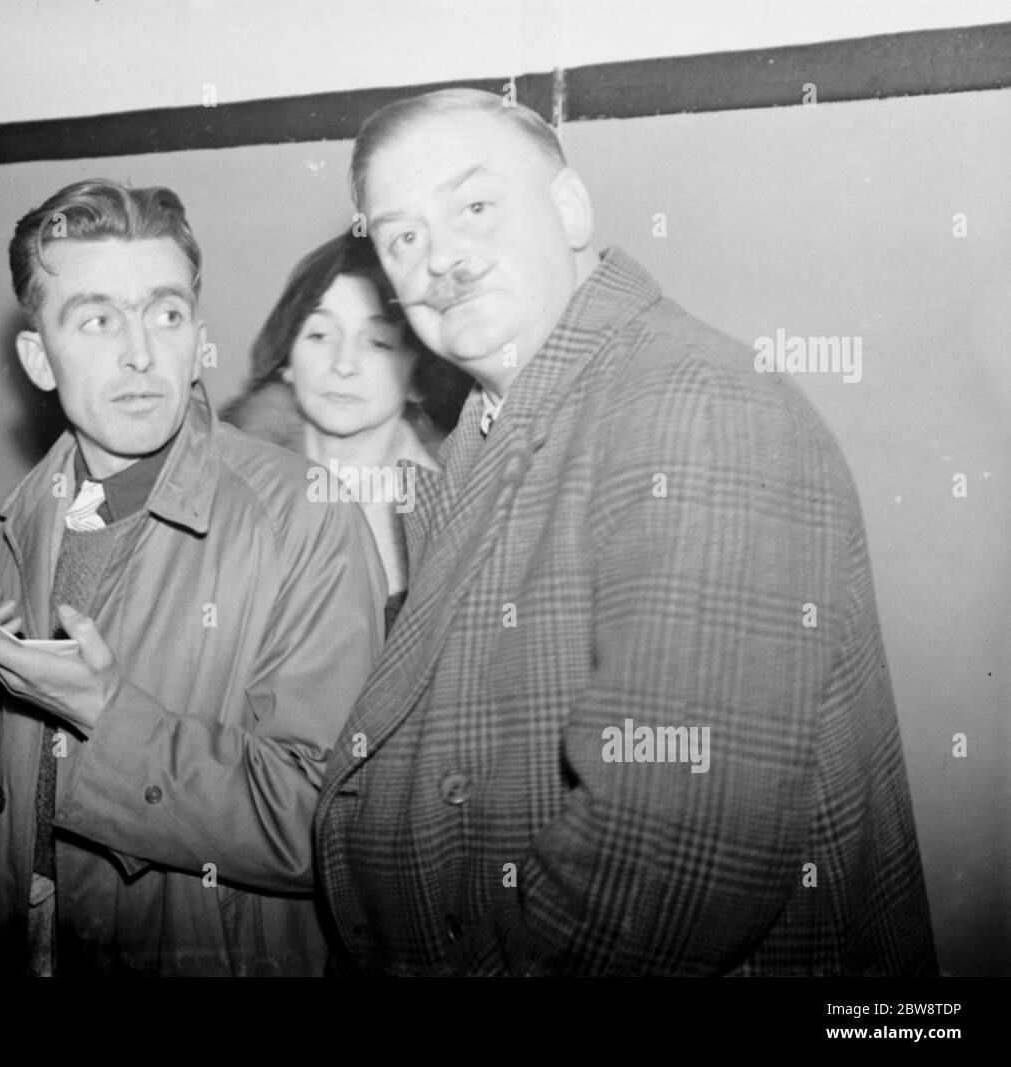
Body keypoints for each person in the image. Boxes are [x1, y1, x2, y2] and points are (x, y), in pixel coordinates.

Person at [314, 89, 938, 976]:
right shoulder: (496, 426)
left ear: (570, 208)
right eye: (402, 236)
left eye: (475, 206)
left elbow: (669, 872)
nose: (440, 258)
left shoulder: (693, 407)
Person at [0, 179, 385, 977]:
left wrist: (107, 714)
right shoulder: (26, 515)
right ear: (38, 359)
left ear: (197, 338)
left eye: (164, 313)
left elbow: (326, 828)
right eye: (95, 319)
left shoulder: (306, 520)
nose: (139, 351)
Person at [224, 230, 470, 629]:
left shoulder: (465, 514)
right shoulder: (226, 495)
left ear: (417, 374)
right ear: (286, 359)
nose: (343, 363)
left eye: (376, 342)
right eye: (319, 334)